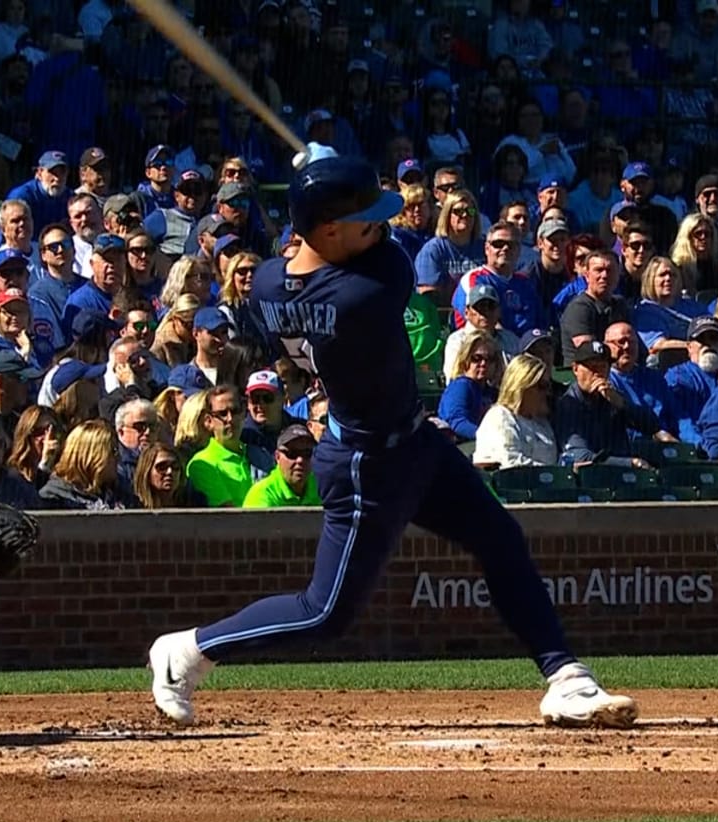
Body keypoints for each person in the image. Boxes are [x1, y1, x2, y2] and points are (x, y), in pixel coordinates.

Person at [147, 146, 635, 729]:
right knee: (323, 613)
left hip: (414, 444)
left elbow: (295, 259)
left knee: (499, 537)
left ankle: (564, 677)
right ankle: (188, 651)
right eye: (363, 218)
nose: (380, 222)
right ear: (328, 229)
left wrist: (327, 182)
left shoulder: (272, 285)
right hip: (365, 463)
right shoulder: (372, 287)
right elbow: (373, 255)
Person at [242, 425, 321, 508]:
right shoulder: (262, 495)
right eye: (292, 453)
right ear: (277, 457)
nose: (300, 460)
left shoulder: (321, 488)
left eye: (307, 453)